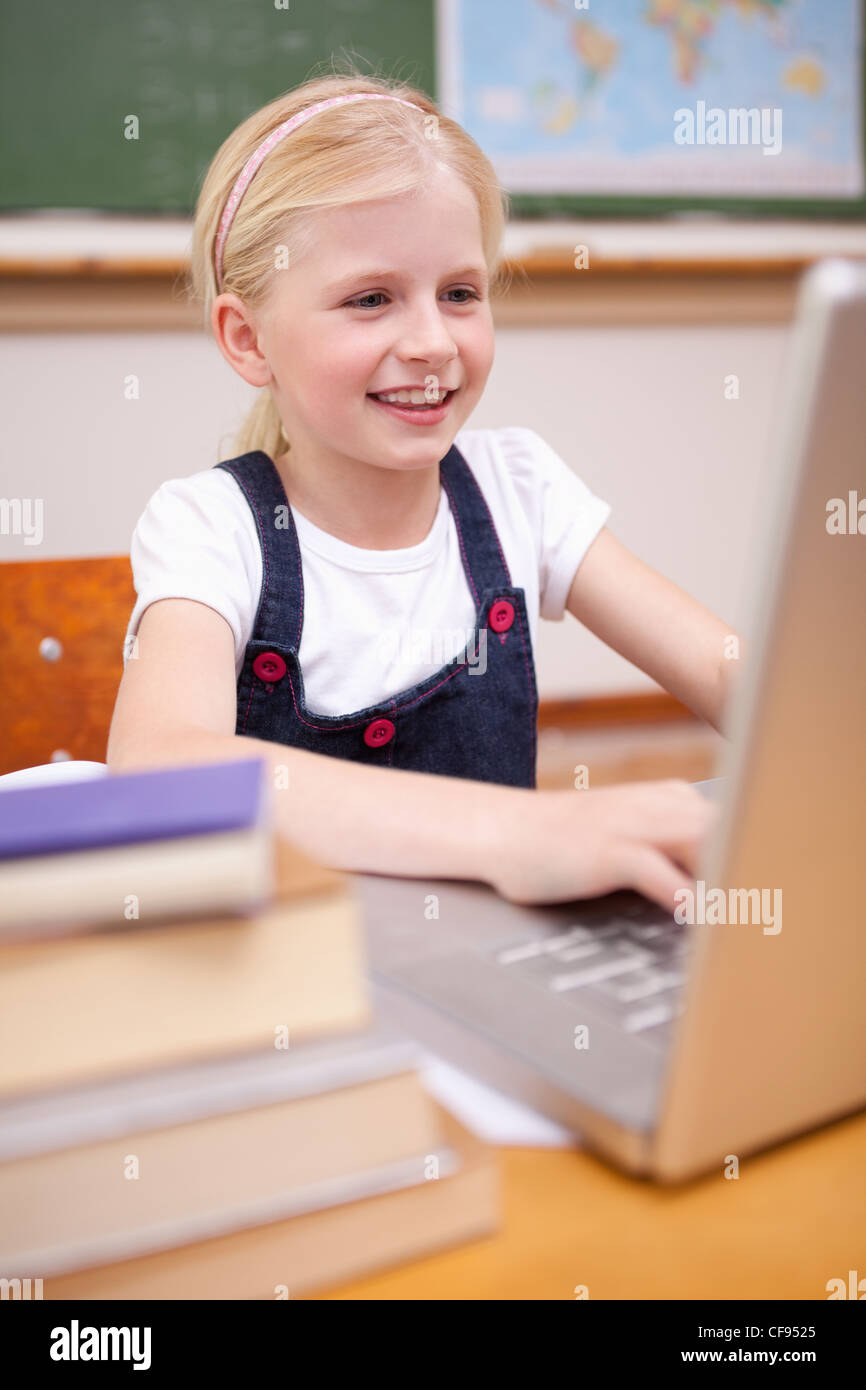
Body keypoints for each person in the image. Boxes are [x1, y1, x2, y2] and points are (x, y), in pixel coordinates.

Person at [108, 70, 742, 911]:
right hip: (302, 987)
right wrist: (518, 833)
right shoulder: (211, 527)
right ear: (248, 338)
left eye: (459, 294)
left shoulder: (521, 488)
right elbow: (156, 769)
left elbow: (745, 681)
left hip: (502, 970)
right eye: (371, 299)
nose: (432, 342)